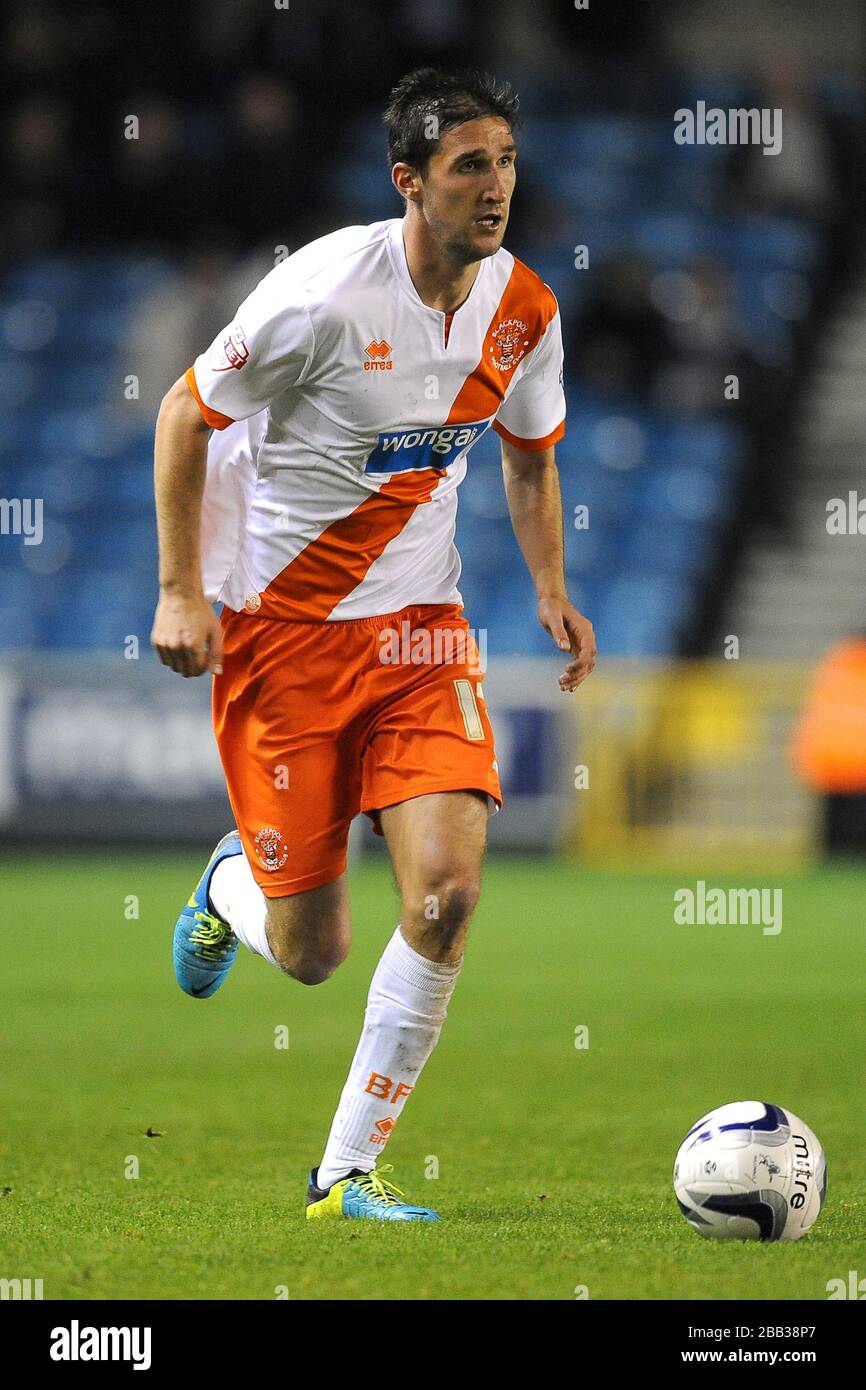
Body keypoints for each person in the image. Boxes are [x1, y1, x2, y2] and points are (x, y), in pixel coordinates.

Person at [150, 66, 596, 1223]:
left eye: (505, 160)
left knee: (444, 896)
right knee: (311, 953)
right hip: (281, 641)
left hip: (419, 637)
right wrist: (180, 593)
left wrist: (549, 585)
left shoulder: (524, 308)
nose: (496, 186)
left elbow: (529, 449)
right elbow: (183, 413)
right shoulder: (317, 298)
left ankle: (342, 1171)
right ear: (408, 180)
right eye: (468, 165)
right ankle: (228, 882)